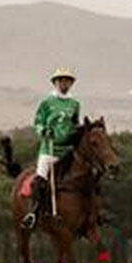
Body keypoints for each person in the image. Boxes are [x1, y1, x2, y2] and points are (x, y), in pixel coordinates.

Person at [22, 67, 81, 230]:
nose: (64, 84)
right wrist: (43, 130)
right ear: (55, 83)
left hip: (67, 150)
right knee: (40, 181)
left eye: (67, 81)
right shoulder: (47, 102)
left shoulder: (75, 104)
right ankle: (33, 213)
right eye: (61, 81)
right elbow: (38, 122)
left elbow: (75, 124)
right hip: (49, 150)